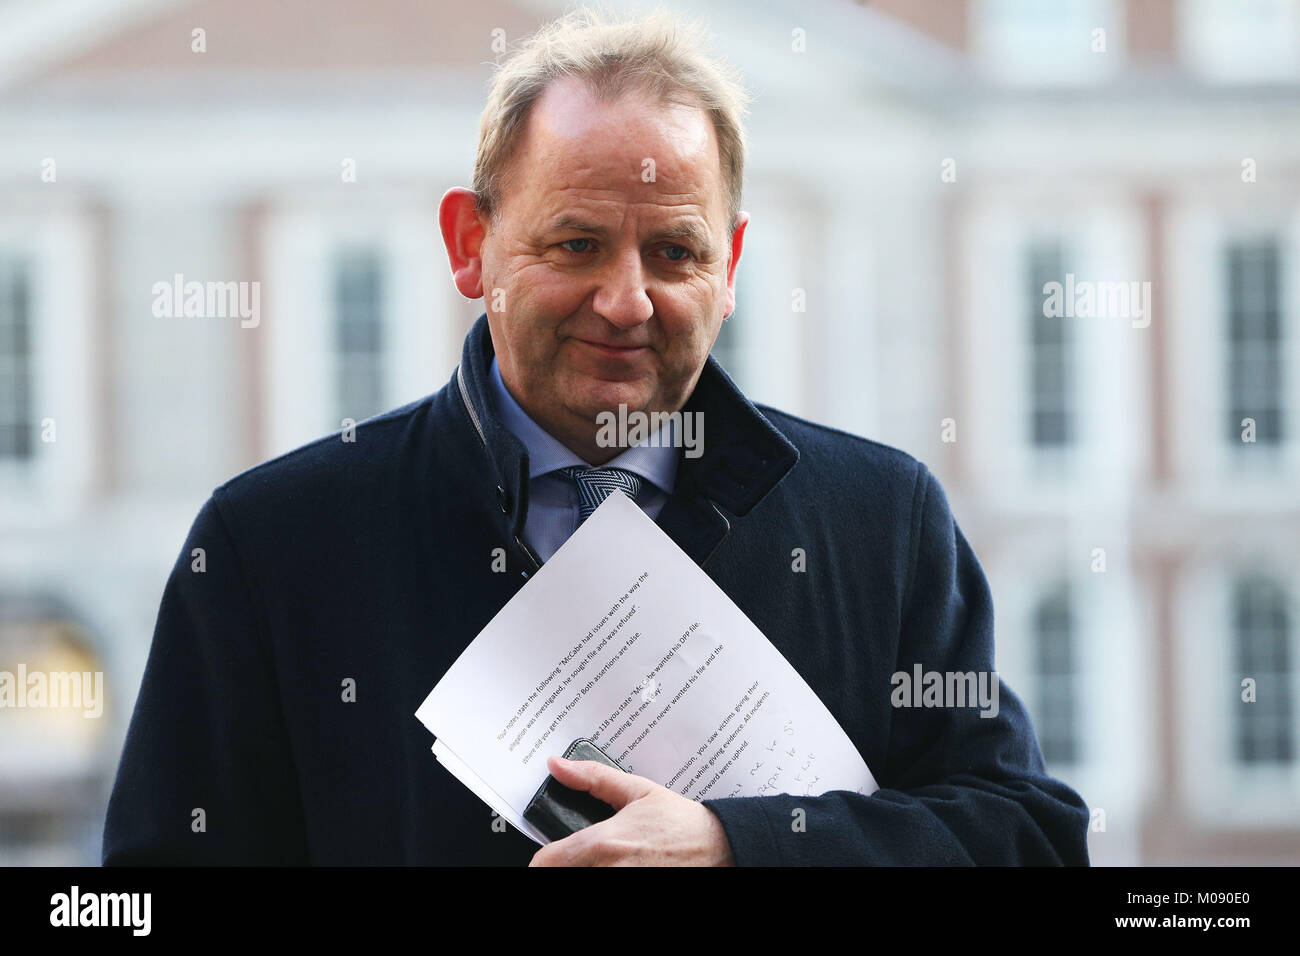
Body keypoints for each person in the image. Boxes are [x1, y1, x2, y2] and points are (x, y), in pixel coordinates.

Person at [103, 7, 1090, 866]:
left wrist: (740, 844)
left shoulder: (881, 519)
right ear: (469, 244)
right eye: (577, 243)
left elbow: (1026, 836)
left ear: (732, 261)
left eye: (674, 251)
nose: (627, 302)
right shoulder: (268, 543)